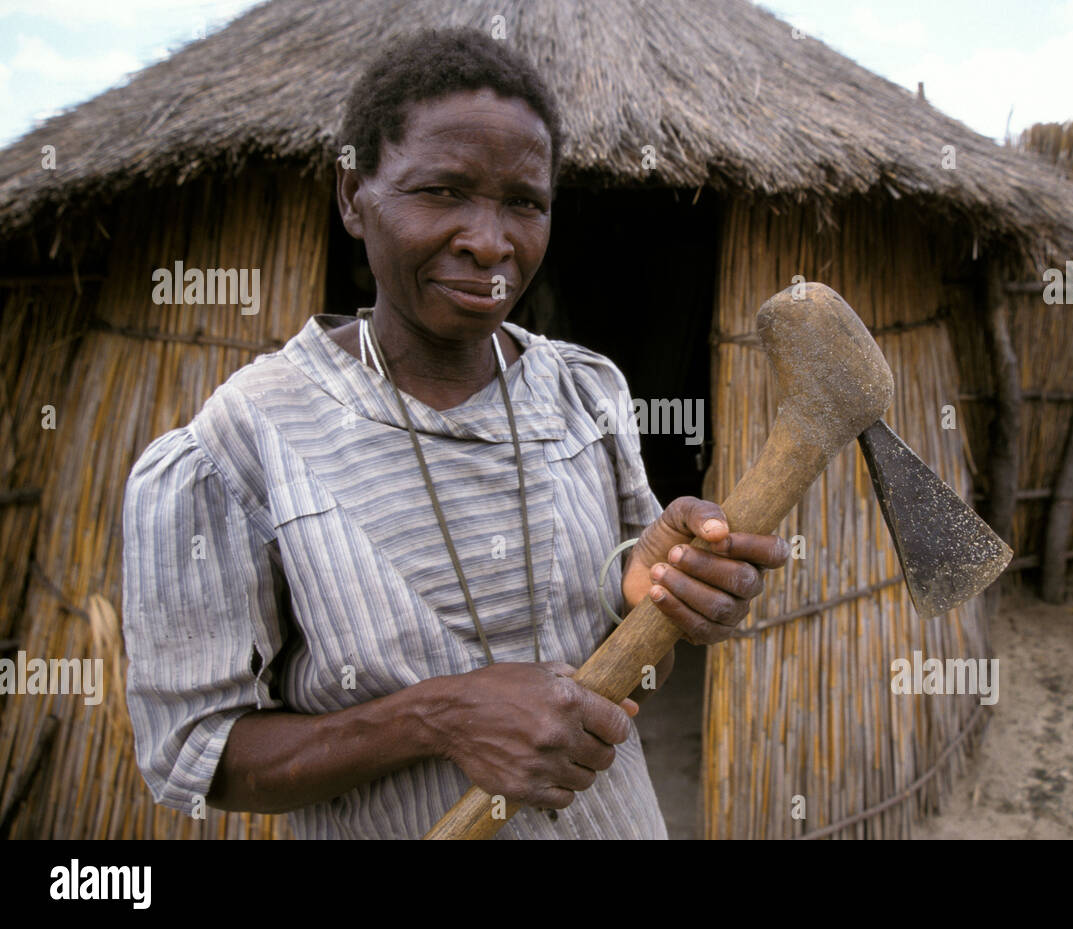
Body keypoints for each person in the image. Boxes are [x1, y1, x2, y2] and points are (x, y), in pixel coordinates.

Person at [121, 26, 789, 839]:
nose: (489, 241)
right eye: (441, 191)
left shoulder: (585, 393)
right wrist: (436, 716)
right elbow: (194, 753)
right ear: (352, 195)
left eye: (524, 203)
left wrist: (659, 600)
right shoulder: (241, 448)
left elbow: (631, 673)